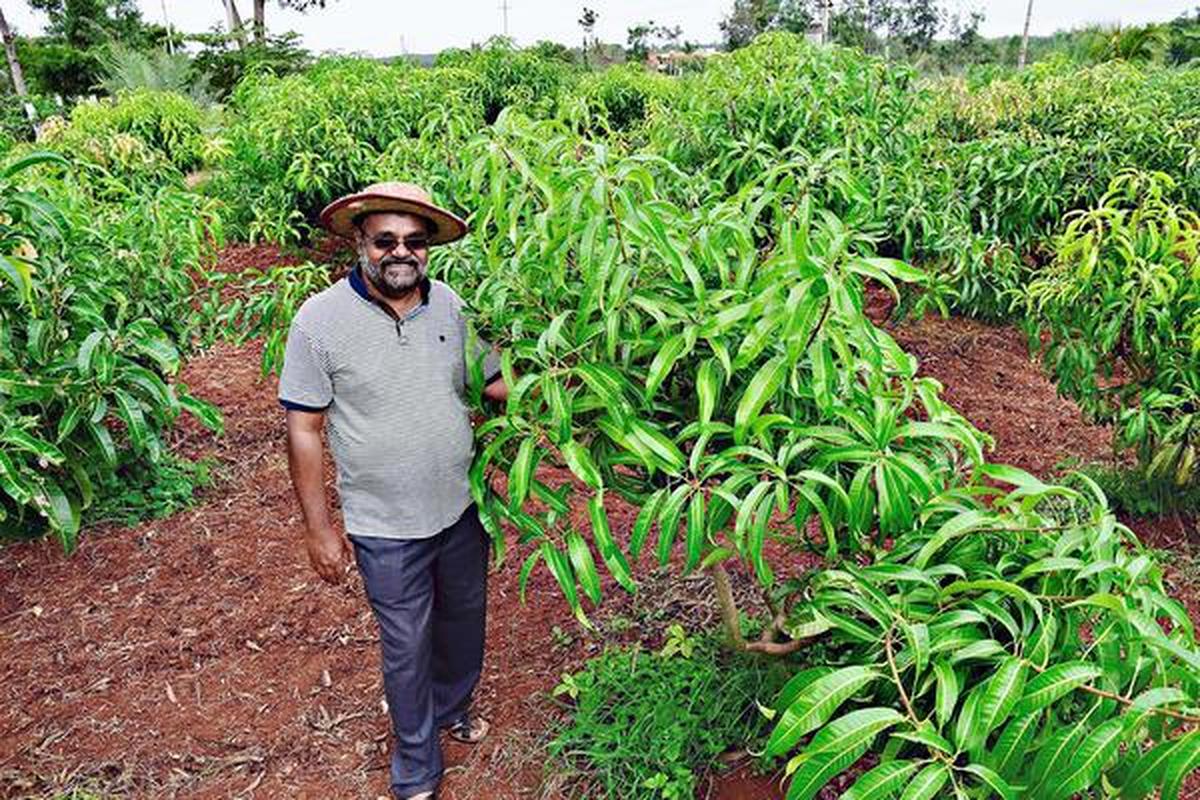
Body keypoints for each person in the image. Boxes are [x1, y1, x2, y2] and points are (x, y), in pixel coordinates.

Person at [278, 182, 507, 800]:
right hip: (384, 524)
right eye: (385, 240)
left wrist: (576, 385)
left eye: (413, 241)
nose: (399, 252)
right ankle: (416, 763)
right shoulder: (320, 321)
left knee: (464, 624)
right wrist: (319, 528)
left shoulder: (451, 305)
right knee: (406, 646)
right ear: (360, 243)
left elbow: (492, 384)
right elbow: (304, 426)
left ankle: (453, 707)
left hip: (460, 507)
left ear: (428, 248)